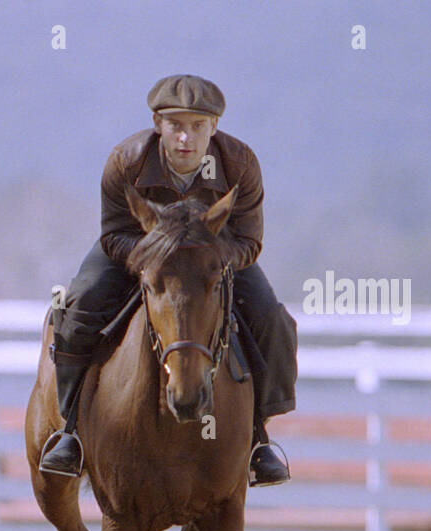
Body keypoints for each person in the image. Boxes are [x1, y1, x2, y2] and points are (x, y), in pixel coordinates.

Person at [40, 73, 295, 486]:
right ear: (158, 124)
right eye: (176, 125)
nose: (185, 139)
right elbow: (112, 234)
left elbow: (249, 241)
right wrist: (153, 259)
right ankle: (69, 432)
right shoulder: (126, 161)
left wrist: (210, 261)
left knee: (271, 317)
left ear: (214, 128)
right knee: (79, 305)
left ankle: (259, 439)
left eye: (198, 127)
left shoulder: (241, 164)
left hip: (214, 260)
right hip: (139, 254)